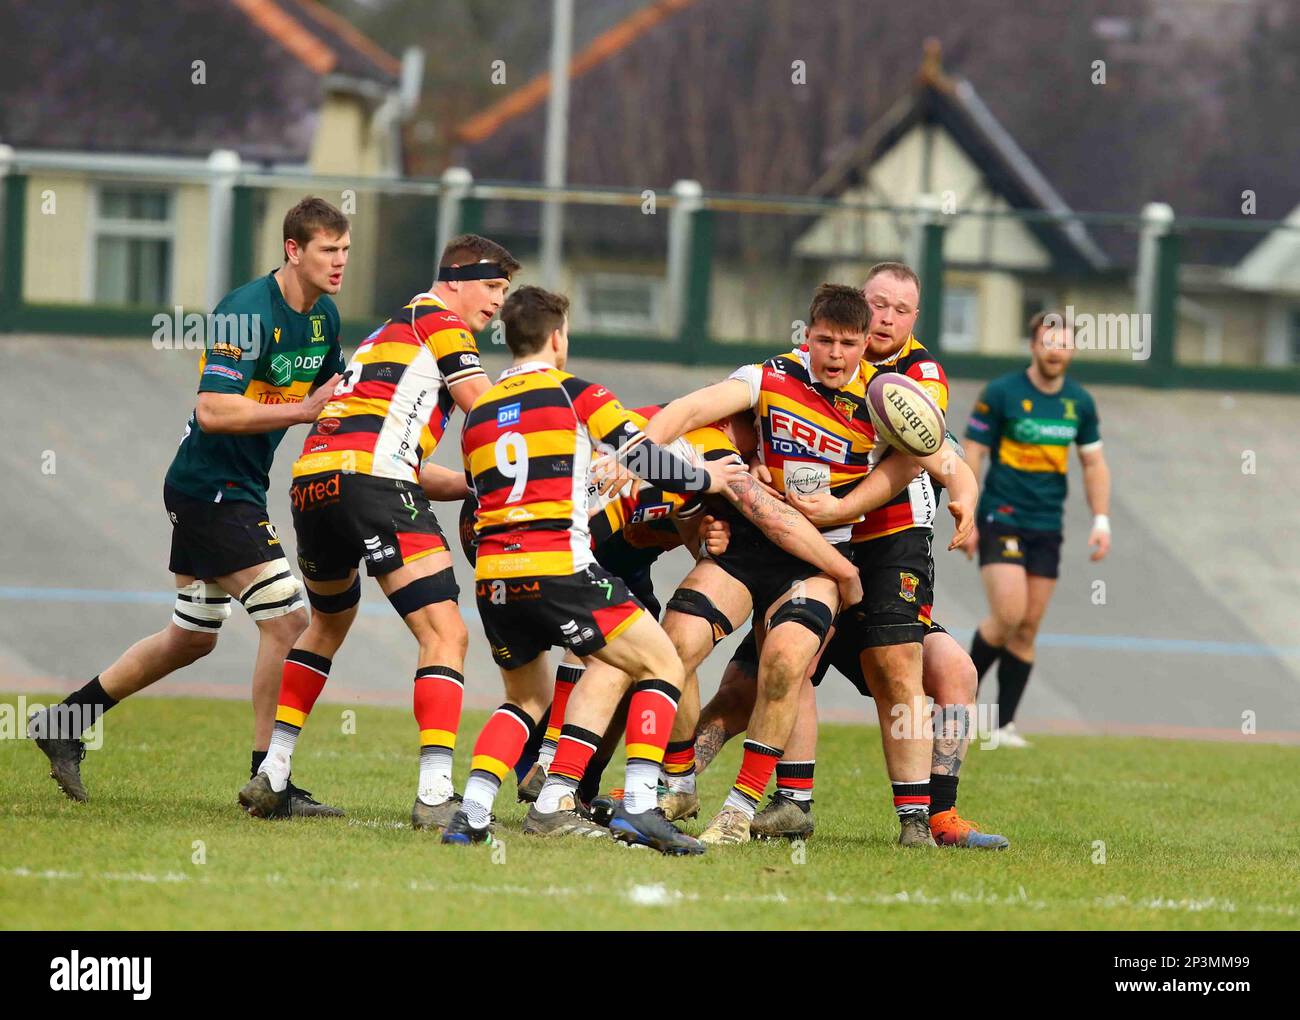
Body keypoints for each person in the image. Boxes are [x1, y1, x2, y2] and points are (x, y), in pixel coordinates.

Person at [28, 197, 350, 815]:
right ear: (293, 250)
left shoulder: (324, 319)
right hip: (210, 488)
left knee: (192, 636)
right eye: (327, 250)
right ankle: (270, 781)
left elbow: (335, 400)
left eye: (344, 250)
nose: (339, 262)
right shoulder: (244, 310)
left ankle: (66, 722)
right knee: (286, 620)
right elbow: (212, 410)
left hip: (236, 487)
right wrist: (302, 410)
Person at [644, 284, 970, 846]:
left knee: (789, 663)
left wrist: (965, 495)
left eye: (848, 343)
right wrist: (637, 452)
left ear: (866, 343)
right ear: (807, 335)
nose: (836, 354)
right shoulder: (770, 375)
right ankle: (674, 781)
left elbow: (941, 458)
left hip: (825, 557)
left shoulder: (888, 399)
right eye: (825, 341)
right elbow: (691, 409)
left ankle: (746, 808)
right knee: (673, 645)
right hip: (753, 546)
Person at [443, 286, 745, 853]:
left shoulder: (477, 414)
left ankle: (471, 814)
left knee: (524, 701)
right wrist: (710, 480)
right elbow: (645, 457)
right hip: (561, 564)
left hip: (494, 577)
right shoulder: (577, 393)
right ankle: (637, 808)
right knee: (661, 662)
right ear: (558, 338)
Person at [237, 234, 520, 828]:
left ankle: (274, 773)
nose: (498, 303)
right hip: (373, 483)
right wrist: (546, 438)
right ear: (458, 277)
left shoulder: (388, 331)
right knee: (446, 634)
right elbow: (484, 406)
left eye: (505, 291)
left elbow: (407, 461)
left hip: (315, 483)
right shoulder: (442, 321)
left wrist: (471, 487)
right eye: (492, 286)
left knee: (327, 624)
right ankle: (437, 792)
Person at [961, 310, 1111, 747]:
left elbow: (1093, 462)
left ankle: (1003, 725)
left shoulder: (1079, 403)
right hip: (1001, 516)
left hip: (1047, 523)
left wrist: (1101, 520)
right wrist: (967, 514)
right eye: (1048, 341)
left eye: (1064, 343)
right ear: (1033, 345)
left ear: (1073, 350)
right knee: (1007, 613)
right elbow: (974, 452)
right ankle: (955, 706)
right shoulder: (1001, 393)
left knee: (1027, 626)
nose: (1055, 351)